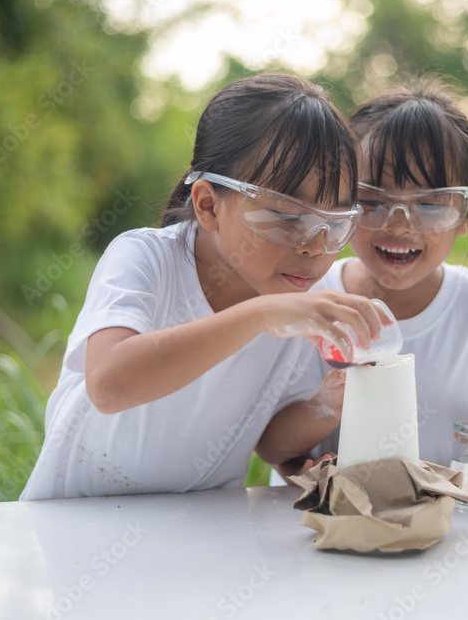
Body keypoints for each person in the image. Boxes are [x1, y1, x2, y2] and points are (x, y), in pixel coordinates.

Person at [21, 73, 389, 500]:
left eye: (334, 224)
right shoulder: (147, 259)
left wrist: (329, 403)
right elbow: (108, 384)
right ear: (209, 205)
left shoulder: (298, 297)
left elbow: (271, 444)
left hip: (201, 536)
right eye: (287, 217)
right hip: (75, 527)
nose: (314, 246)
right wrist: (263, 315)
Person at [262, 79, 468, 482]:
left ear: (467, 214)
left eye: (431, 204)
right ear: (339, 202)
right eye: (373, 201)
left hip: (436, 519)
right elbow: (271, 444)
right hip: (317, 518)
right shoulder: (307, 298)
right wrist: (323, 414)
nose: (400, 226)